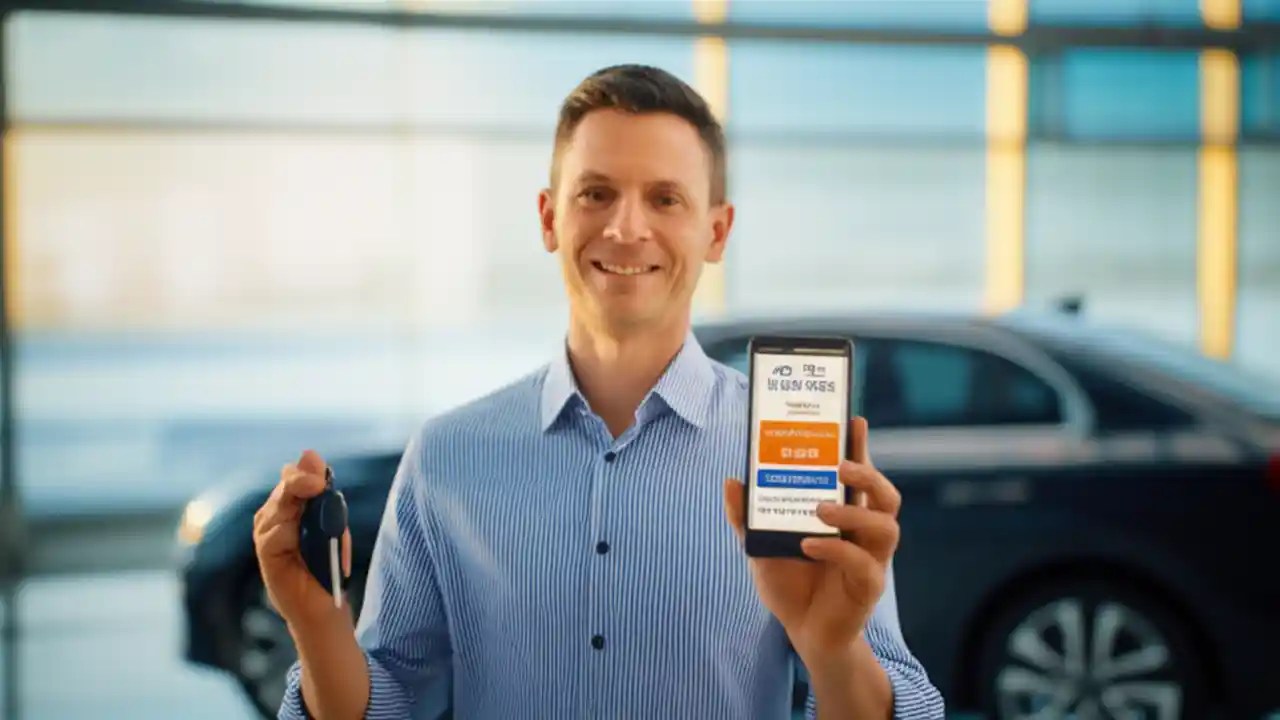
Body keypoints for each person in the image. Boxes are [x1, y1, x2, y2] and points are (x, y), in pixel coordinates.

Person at [254, 63, 945, 720]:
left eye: (665, 198)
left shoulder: (791, 457)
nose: (626, 227)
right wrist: (317, 626)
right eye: (597, 193)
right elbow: (391, 700)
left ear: (716, 231)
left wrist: (832, 652)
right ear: (550, 217)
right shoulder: (445, 458)